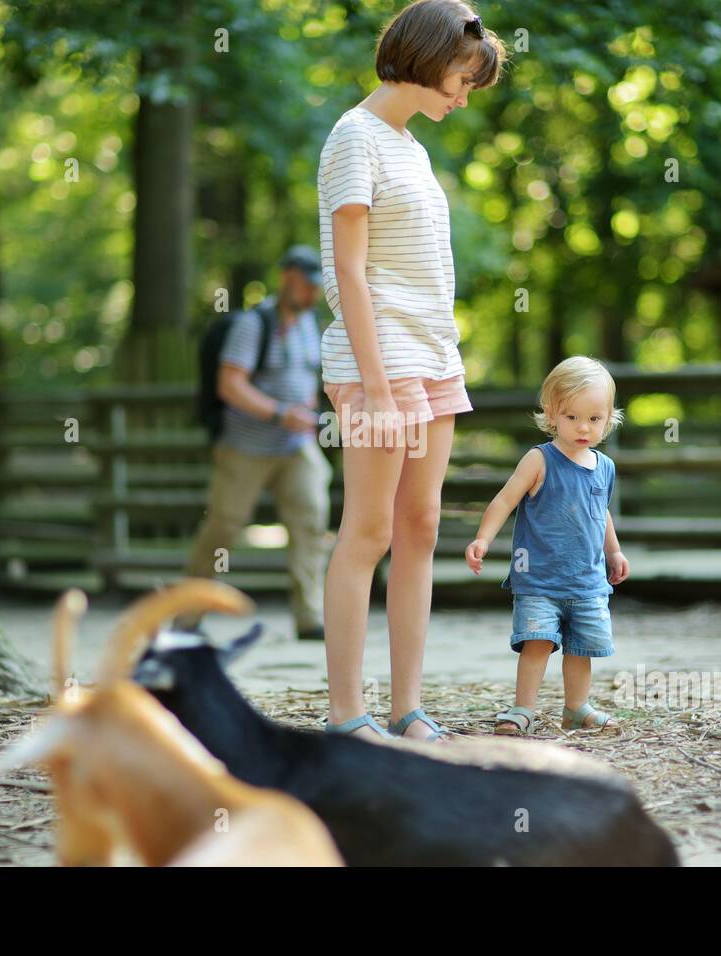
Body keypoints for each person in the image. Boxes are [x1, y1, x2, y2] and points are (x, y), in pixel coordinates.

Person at [316, 0, 507, 742]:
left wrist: (426, 369)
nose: (464, 97)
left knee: (420, 526)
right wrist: (378, 384)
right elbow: (351, 275)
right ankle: (345, 715)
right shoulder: (352, 139)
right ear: (425, 61)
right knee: (366, 531)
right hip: (378, 365)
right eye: (461, 79)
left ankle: (408, 708)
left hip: (432, 359)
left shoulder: (410, 146)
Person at [466, 357, 630, 735]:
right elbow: (505, 500)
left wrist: (614, 551)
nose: (584, 427)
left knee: (581, 648)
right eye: (572, 417)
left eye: (594, 418)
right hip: (539, 578)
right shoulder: (540, 459)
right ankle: (523, 708)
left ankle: (576, 707)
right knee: (536, 641)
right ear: (552, 414)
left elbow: (599, 511)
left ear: (608, 418)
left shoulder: (604, 466)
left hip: (587, 581)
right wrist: (483, 538)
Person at [178, 246, 331, 641]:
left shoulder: (308, 324)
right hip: (245, 447)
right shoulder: (252, 324)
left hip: (295, 446)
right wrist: (280, 412)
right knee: (223, 528)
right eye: (307, 285)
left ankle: (309, 616)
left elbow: (306, 377)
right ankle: (188, 616)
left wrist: (305, 411)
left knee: (312, 520)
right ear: (287, 279)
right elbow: (230, 384)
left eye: (318, 287)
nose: (313, 294)